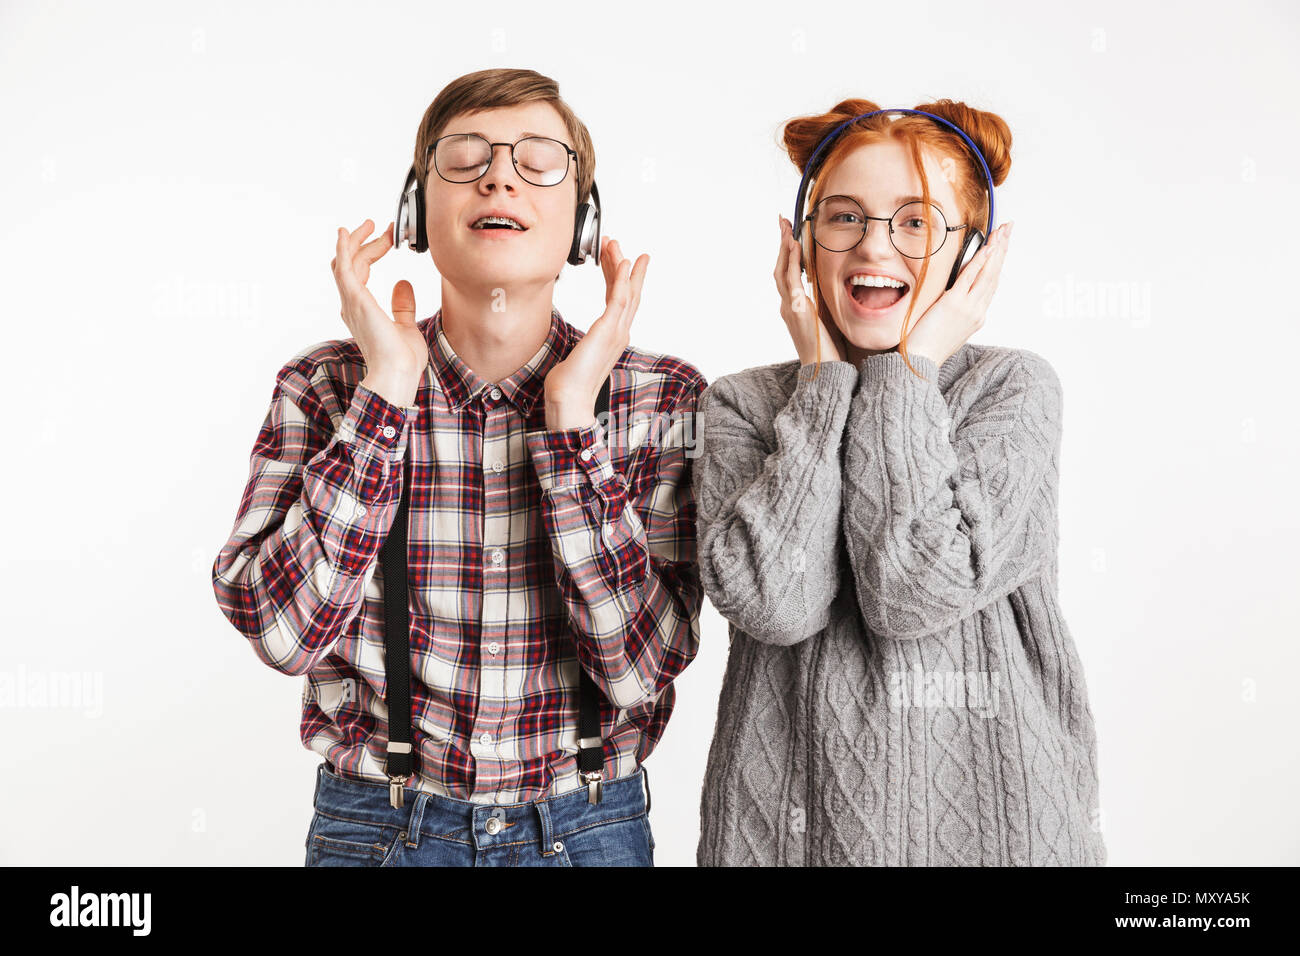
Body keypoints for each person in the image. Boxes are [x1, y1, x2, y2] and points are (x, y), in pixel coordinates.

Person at [211, 68, 707, 867]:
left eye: (538, 159)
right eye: (465, 156)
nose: (499, 174)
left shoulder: (660, 398)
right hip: (378, 825)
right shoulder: (327, 387)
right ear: (416, 212)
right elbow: (282, 633)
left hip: (588, 827)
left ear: (584, 222)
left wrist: (572, 424)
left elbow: (637, 669)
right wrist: (383, 401)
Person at [693, 98, 1106, 866]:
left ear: (971, 254)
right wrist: (821, 386)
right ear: (804, 241)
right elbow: (776, 605)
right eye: (844, 217)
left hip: (998, 838)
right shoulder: (741, 404)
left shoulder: (1012, 391)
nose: (874, 245)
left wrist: (908, 372)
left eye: (916, 223)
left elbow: (912, 590)